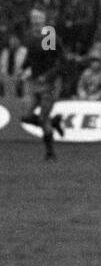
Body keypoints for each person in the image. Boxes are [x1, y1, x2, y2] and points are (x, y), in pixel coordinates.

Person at [19, 8, 64, 160]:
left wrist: (47, 76)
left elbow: (57, 62)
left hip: (49, 84)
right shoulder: (31, 36)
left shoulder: (48, 35)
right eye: (34, 18)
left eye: (39, 18)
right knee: (25, 116)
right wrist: (23, 68)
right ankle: (54, 122)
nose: (36, 21)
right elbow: (32, 57)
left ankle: (50, 153)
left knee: (43, 117)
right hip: (35, 82)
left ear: (44, 20)